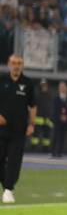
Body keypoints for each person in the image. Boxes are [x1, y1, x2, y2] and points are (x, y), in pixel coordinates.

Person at [0, 54, 38, 203]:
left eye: (19, 63)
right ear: (9, 64)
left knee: (14, 161)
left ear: (22, 65)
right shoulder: (2, 80)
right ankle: (6, 185)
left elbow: (33, 106)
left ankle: (8, 189)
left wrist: (32, 124)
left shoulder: (28, 83)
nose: (16, 66)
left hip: (19, 130)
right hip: (1, 129)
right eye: (14, 63)